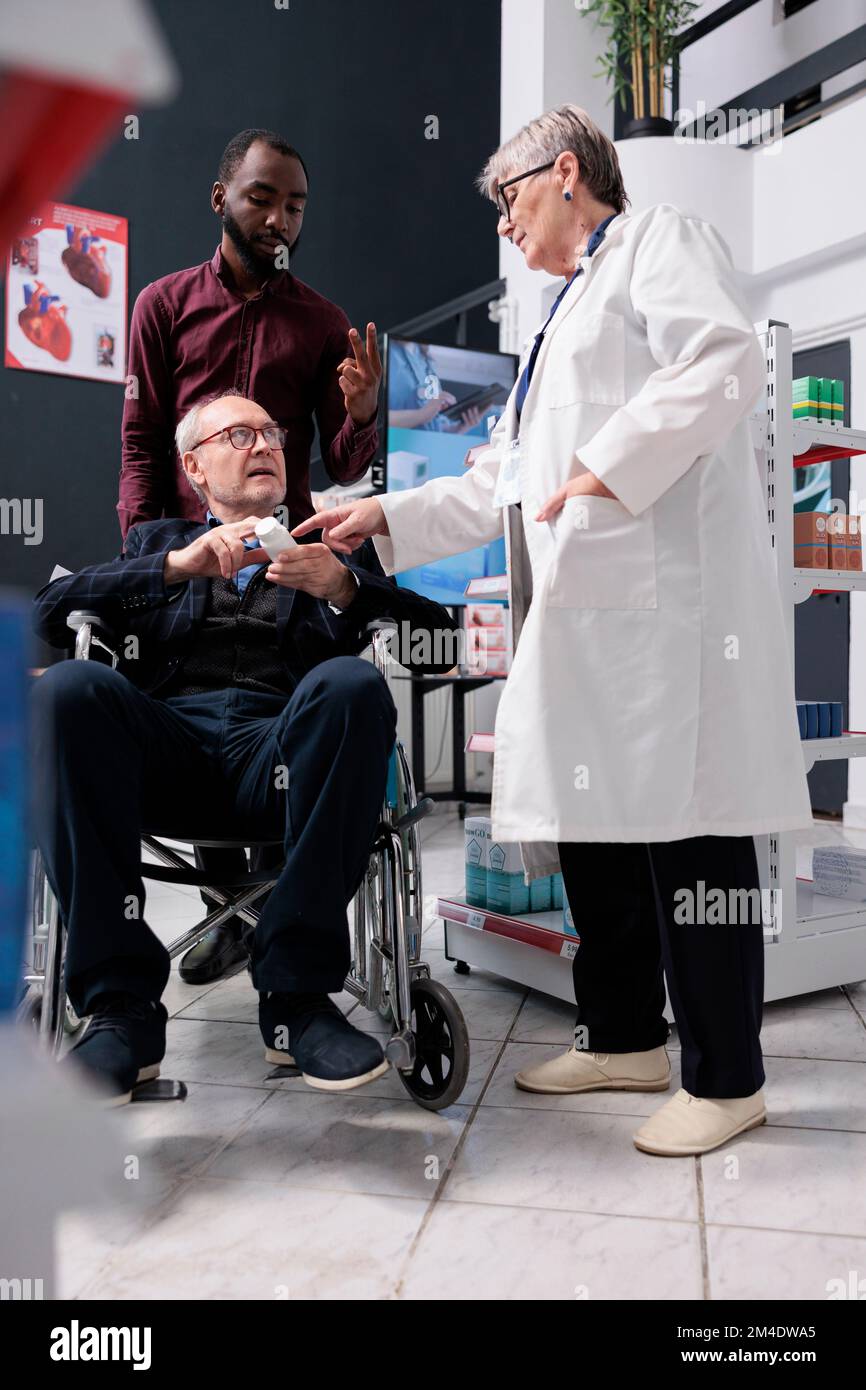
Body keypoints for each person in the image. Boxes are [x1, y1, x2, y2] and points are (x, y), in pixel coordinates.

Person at [295, 104, 814, 1158]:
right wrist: (384, 513)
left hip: (673, 617)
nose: (500, 224)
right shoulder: (558, 321)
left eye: (506, 197)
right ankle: (623, 1035)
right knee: (597, 818)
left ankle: (727, 1078)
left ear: (564, 171)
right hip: (585, 621)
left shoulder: (656, 242)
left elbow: (718, 360)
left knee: (689, 822)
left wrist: (602, 466)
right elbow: (499, 477)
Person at [31, 393, 459, 1107]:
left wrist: (346, 589)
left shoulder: (334, 542)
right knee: (66, 691)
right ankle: (120, 1012)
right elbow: (53, 612)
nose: (263, 443)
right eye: (240, 433)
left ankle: (297, 997)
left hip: (283, 752)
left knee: (352, 685)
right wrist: (175, 568)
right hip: (168, 753)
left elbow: (439, 645)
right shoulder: (155, 543)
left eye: (272, 432)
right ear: (194, 466)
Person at [120, 127, 383, 983]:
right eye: (263, 197)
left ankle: (277, 918)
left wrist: (363, 413)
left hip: (288, 557)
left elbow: (341, 466)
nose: (279, 218)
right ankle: (226, 908)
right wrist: (149, 560)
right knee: (192, 695)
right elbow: (142, 443)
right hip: (188, 550)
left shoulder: (322, 322)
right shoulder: (162, 306)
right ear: (221, 198)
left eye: (295, 205)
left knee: (280, 699)